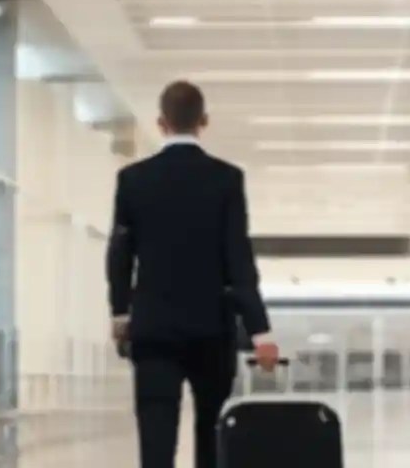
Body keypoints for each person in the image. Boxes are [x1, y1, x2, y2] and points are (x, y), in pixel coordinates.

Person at [106, 80, 280, 468]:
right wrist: (260, 331)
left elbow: (120, 253)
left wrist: (120, 313)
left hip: (153, 329)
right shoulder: (226, 179)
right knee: (212, 435)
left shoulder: (133, 180)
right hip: (212, 330)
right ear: (204, 121)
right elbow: (239, 259)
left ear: (160, 122)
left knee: (155, 439)